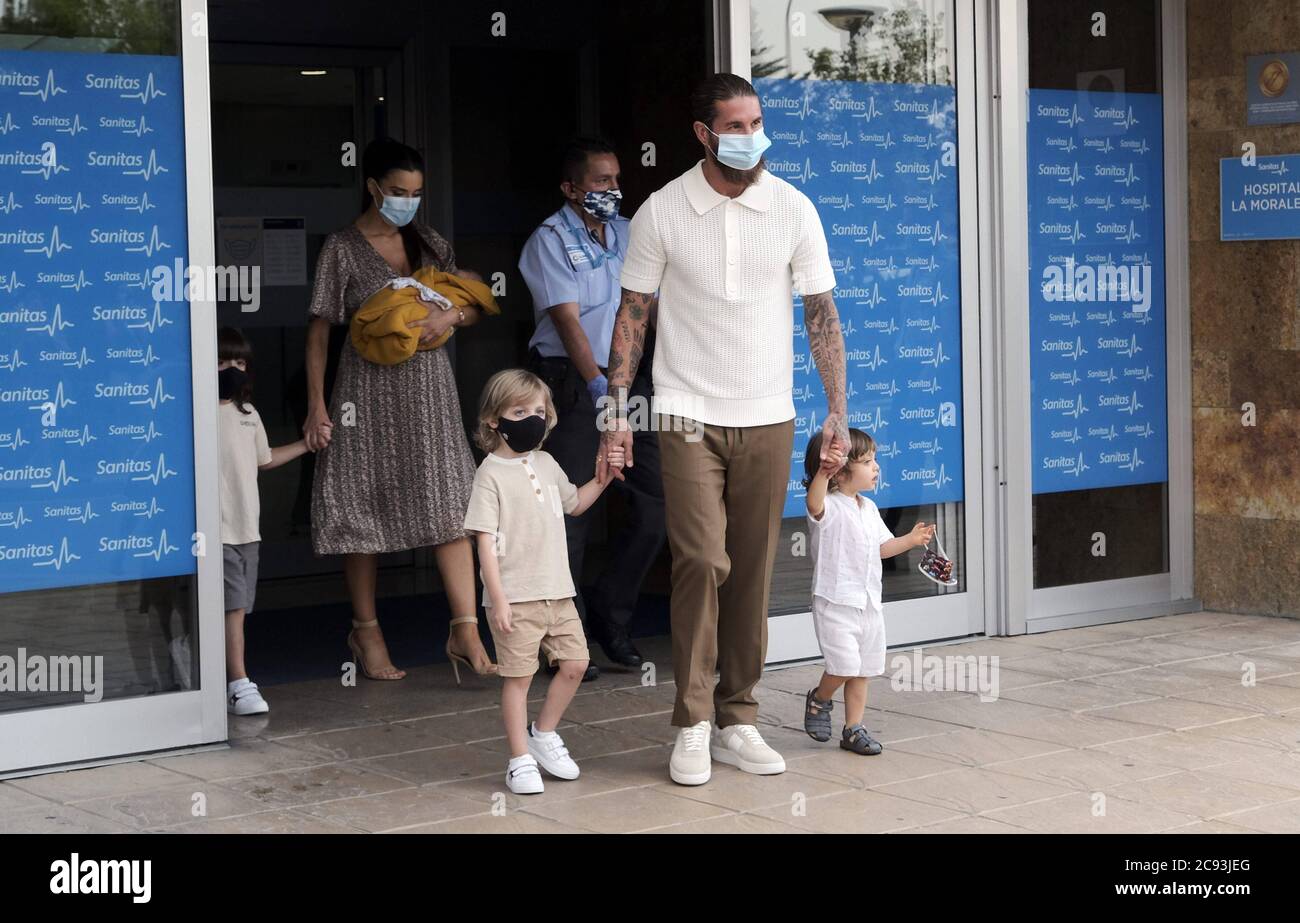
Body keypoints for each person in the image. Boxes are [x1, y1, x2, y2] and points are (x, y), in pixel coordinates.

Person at [600, 73, 849, 786]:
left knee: (751, 570)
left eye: (757, 122)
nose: (751, 137)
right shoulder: (662, 210)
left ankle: (738, 717)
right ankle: (693, 719)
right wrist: (616, 412)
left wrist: (837, 408)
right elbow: (633, 316)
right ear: (704, 134)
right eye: (735, 126)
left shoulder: (793, 208)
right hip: (684, 410)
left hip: (769, 412)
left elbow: (821, 314)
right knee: (702, 561)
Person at [304, 138, 496, 682]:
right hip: (363, 390)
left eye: (415, 192)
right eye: (397, 191)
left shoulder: (430, 242)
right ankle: (366, 632)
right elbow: (319, 330)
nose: (407, 201)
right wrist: (316, 405)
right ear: (372, 188)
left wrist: (450, 319)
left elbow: (472, 304)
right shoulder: (341, 248)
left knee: (449, 500)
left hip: (429, 386)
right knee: (360, 504)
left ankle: (465, 628)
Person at [519, 136, 665, 681]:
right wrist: (603, 390)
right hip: (574, 384)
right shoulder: (549, 240)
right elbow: (568, 321)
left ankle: (611, 614)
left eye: (616, 179)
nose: (612, 189)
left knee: (657, 504)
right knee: (571, 510)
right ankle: (567, 639)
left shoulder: (630, 232)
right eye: (601, 180)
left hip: (634, 384)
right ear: (571, 187)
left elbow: (649, 305)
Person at [462, 369, 624, 793]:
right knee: (518, 679)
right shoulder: (489, 474)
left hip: (559, 593)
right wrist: (497, 599)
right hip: (516, 598)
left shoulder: (548, 464)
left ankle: (543, 733)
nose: (532, 418)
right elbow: (483, 541)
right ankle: (518, 760)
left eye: (538, 410)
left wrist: (602, 479)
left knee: (576, 663)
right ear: (495, 419)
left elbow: (574, 504)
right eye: (520, 411)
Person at [802, 429, 934, 754]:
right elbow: (813, 501)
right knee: (844, 666)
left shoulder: (869, 508)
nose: (876, 467)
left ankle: (853, 728)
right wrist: (823, 471)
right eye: (867, 461)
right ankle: (820, 698)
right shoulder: (829, 507)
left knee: (863, 670)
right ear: (841, 470)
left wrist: (910, 541)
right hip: (836, 602)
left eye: (875, 460)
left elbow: (882, 548)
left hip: (869, 604)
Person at [218, 327, 311, 714]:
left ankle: (220, 675)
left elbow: (264, 458)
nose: (232, 369)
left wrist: (307, 444)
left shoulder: (248, 413)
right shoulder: (191, 409)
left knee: (237, 606)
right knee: (233, 608)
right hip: (215, 529)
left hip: (246, 529)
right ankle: (238, 682)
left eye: (239, 362)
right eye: (222, 362)